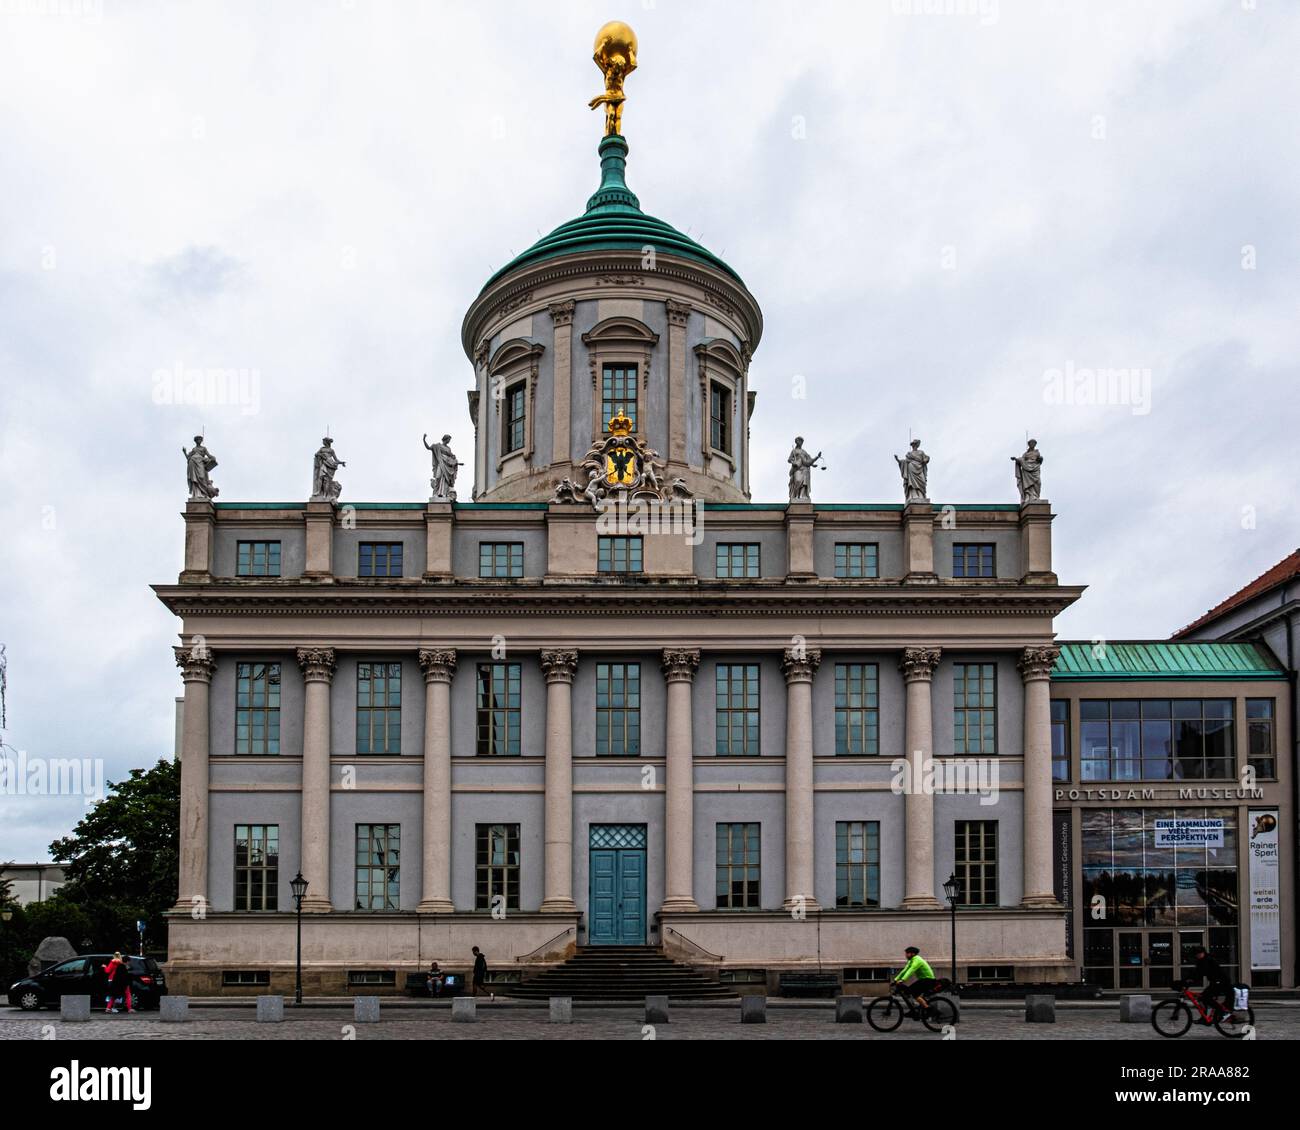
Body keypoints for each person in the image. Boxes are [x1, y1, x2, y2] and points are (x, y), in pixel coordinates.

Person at [1191, 947, 1233, 1016]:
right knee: (1202, 998)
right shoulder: (1202, 960)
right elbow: (1196, 973)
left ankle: (1221, 1011)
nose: (1198, 955)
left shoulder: (1208, 960)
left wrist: (1191, 980)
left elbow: (1201, 973)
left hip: (1221, 982)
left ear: (1203, 953)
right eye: (1196, 954)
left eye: (1199, 953)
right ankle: (1204, 1018)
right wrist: (1188, 980)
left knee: (1205, 997)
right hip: (1215, 982)